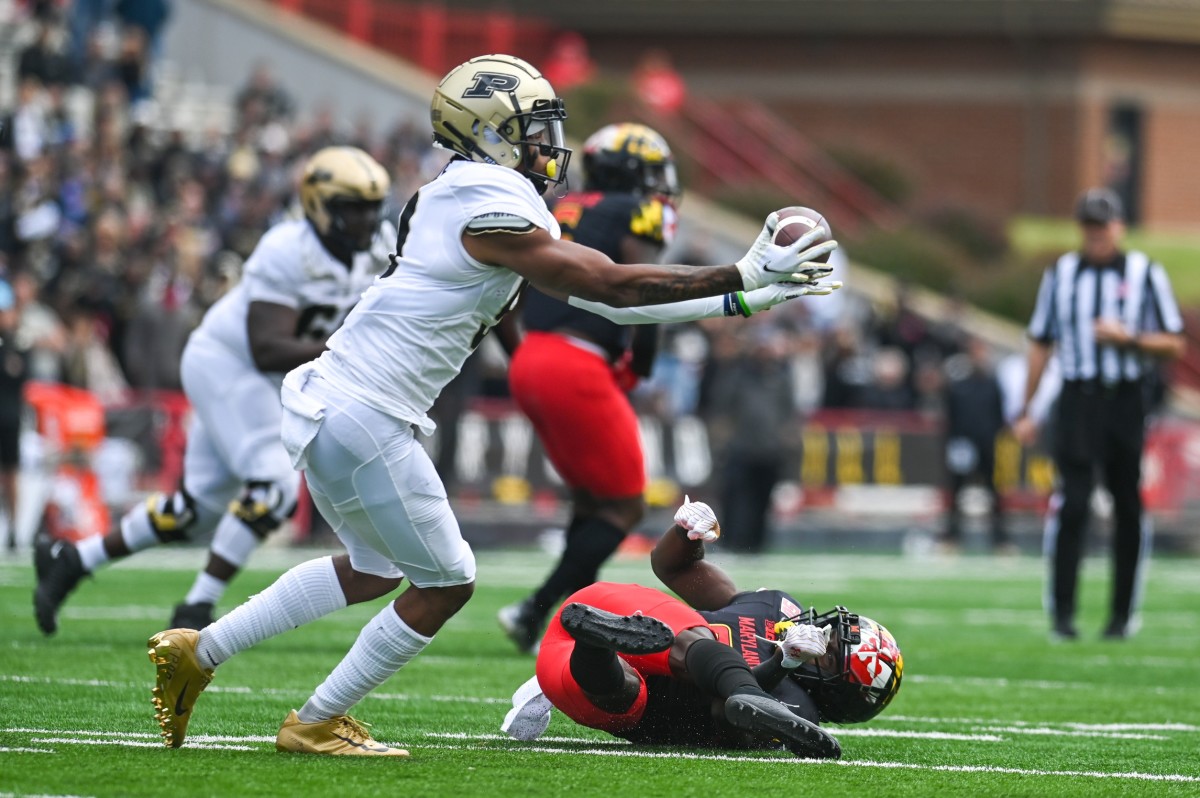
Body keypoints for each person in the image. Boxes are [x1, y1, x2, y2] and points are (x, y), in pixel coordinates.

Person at [140, 53, 842, 757]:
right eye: (534, 129)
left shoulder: (471, 194)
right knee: (447, 583)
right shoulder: (482, 196)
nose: (548, 144)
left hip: (343, 403)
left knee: (374, 569)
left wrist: (744, 297)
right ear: (490, 133)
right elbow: (609, 285)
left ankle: (198, 653)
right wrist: (737, 271)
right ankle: (316, 720)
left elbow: (616, 310)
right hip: (364, 409)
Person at [33, 146, 392, 635]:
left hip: (264, 380)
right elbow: (266, 346)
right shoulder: (288, 247)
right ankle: (197, 607)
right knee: (273, 490)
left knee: (193, 510)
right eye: (352, 207)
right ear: (319, 204)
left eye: (372, 206)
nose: (365, 219)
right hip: (231, 365)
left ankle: (72, 560)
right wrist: (351, 348)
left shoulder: (378, 247)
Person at [499, 496, 903, 758]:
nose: (821, 635)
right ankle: (605, 637)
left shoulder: (801, 708)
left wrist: (784, 664)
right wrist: (686, 534)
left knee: (630, 693)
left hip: (580, 679)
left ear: (838, 691)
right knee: (690, 629)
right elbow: (674, 567)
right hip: (613, 606)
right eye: (832, 630)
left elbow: (727, 714)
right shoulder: (777, 607)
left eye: (831, 653)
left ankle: (596, 644)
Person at [498, 122, 683, 652]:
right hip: (576, 361)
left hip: (534, 354)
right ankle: (534, 610)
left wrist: (527, 358)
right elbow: (644, 286)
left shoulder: (558, 207)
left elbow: (506, 297)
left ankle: (556, 621)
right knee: (624, 506)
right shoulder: (632, 210)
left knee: (590, 501)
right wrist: (642, 363)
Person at [1012, 187, 1184, 641]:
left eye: (1102, 225)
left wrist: (1128, 339)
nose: (1096, 234)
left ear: (1118, 227)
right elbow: (1040, 341)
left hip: (1126, 397)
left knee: (1127, 504)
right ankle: (1063, 615)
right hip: (1078, 398)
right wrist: (1028, 408)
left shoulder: (1145, 272)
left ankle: (1121, 616)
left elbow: (1173, 341)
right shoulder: (1062, 274)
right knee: (1075, 502)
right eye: (1088, 226)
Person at [939, 335, 1012, 554]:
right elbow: (951, 417)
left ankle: (999, 540)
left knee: (993, 492)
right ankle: (952, 537)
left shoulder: (992, 384)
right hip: (964, 446)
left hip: (987, 445)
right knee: (957, 492)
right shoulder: (959, 385)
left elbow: (999, 415)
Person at [0, 279, 30, 551]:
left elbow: (22, 376)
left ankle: (13, 529)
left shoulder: (18, 343)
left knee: (11, 474)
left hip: (9, 418)